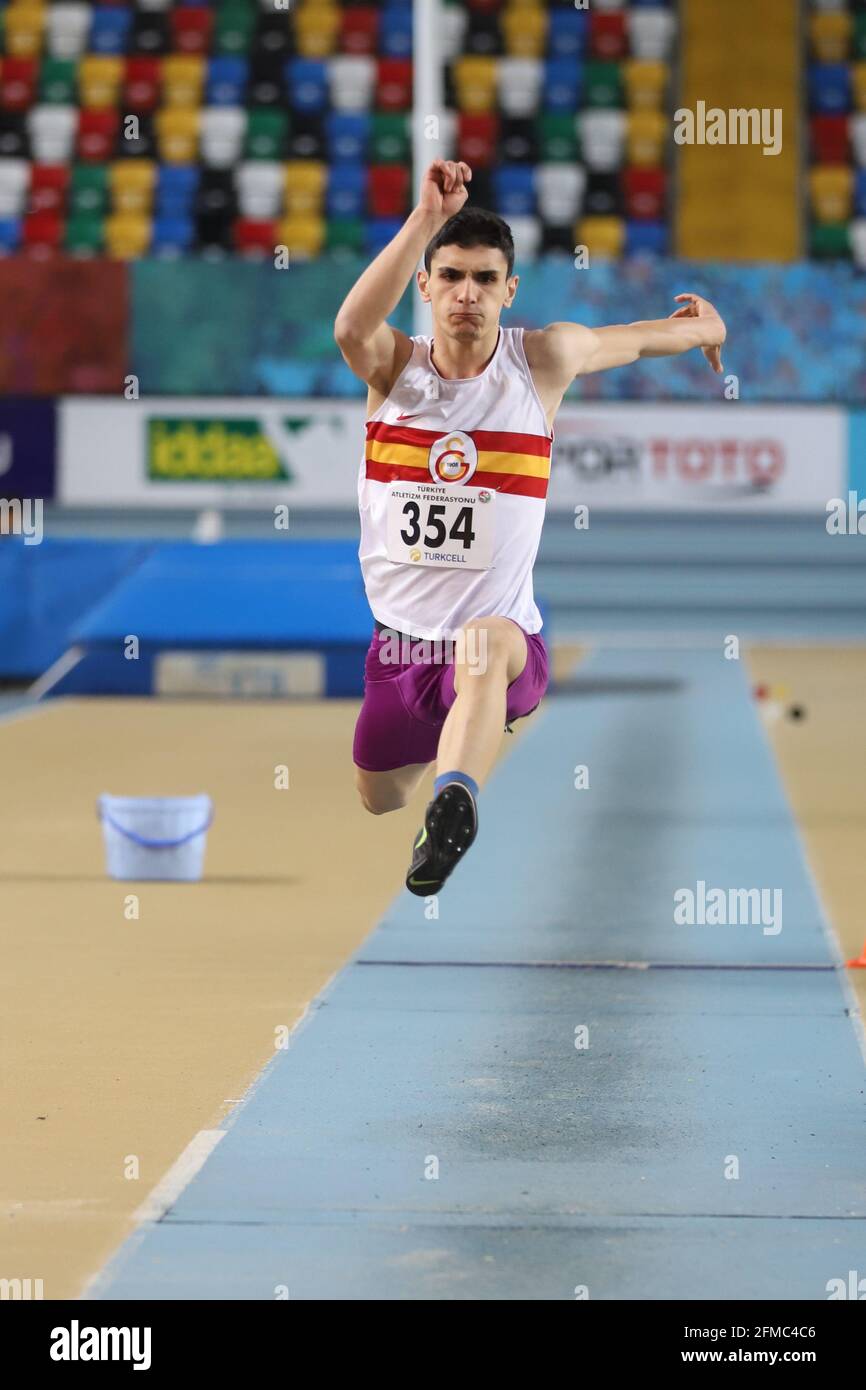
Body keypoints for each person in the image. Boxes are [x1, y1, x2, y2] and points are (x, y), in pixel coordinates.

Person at [334, 159, 726, 896]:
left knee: (483, 642)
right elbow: (352, 324)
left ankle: (455, 808)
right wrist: (424, 218)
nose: (467, 294)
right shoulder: (392, 373)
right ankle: (441, 765)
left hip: (503, 648)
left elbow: (637, 340)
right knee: (378, 796)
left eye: (486, 280)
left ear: (509, 292)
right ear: (424, 286)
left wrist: (707, 324)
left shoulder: (540, 361)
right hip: (396, 649)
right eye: (450, 276)